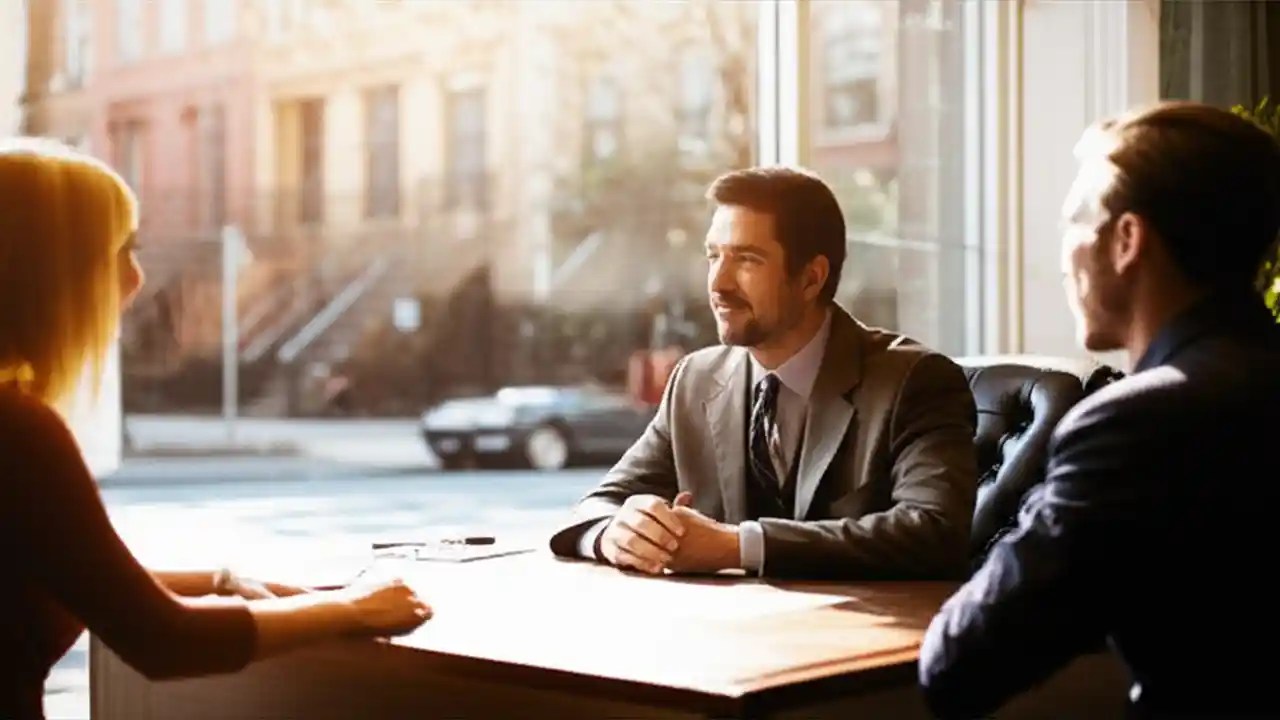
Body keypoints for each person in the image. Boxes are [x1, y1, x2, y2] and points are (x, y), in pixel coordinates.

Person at [0, 139, 430, 720]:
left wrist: (224, 580)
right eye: (119, 250)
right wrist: (353, 608)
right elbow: (161, 638)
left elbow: (71, 571)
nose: (137, 278)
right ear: (48, 272)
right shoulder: (19, 432)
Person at [917, 101, 1280, 717]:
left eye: (1073, 223)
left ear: (1127, 240)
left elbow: (960, 661)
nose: (1063, 258)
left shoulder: (1134, 424)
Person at [548, 166, 978, 579]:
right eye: (713, 256)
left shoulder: (915, 381)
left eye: (747, 260)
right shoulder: (695, 380)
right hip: (731, 642)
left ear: (811, 278)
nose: (718, 284)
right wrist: (615, 534)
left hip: (860, 643)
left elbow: (934, 532)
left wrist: (737, 546)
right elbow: (597, 506)